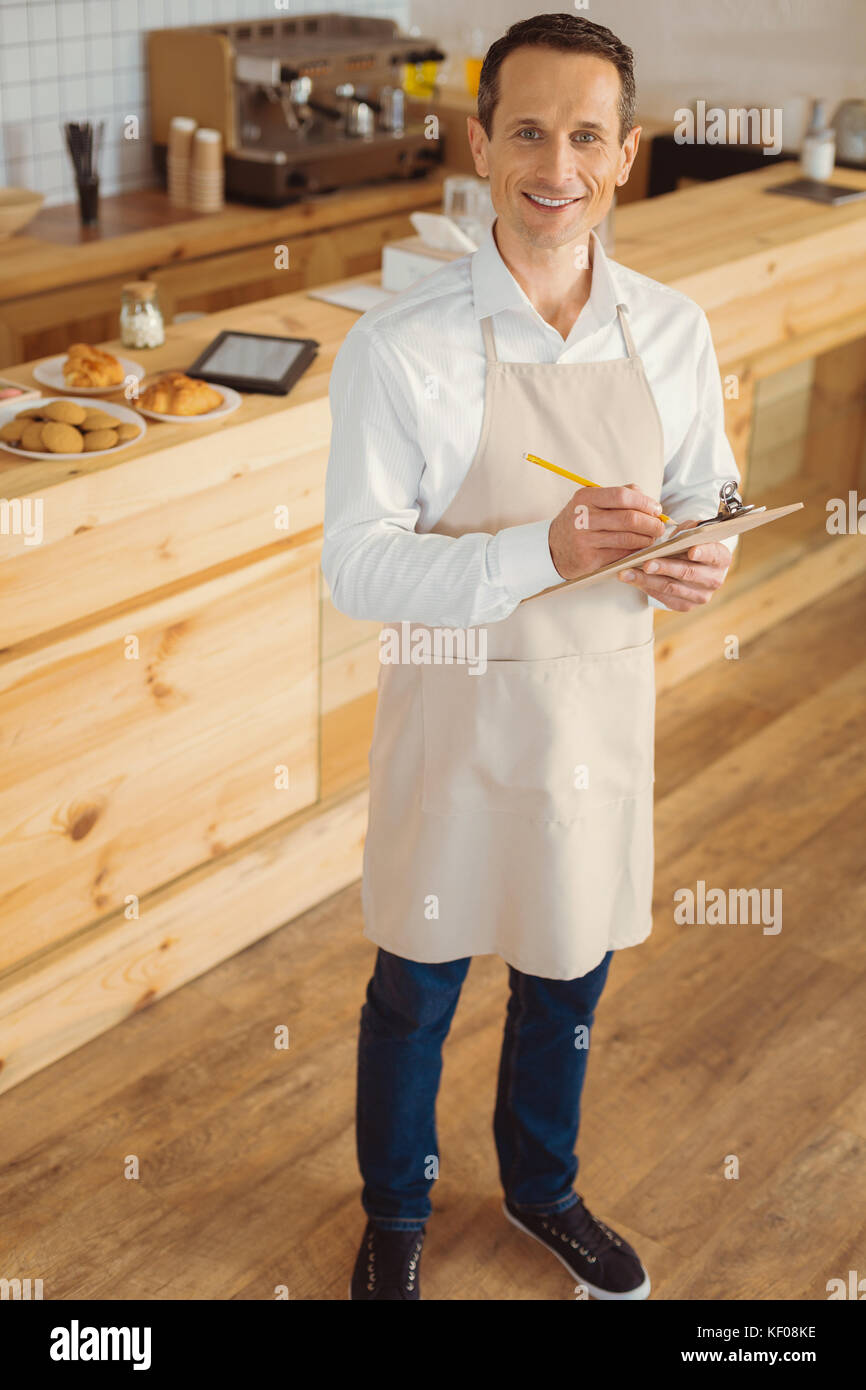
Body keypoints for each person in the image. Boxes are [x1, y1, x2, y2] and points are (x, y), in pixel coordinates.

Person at [323, 12, 739, 1301]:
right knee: (416, 992)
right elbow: (357, 568)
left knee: (566, 980)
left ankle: (542, 1192)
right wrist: (538, 555)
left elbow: (708, 495)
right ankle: (397, 1210)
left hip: (593, 721)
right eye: (528, 130)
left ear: (625, 158)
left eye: (586, 136)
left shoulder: (673, 330)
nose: (556, 163)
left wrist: (700, 559)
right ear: (481, 143)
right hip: (454, 727)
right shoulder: (400, 347)